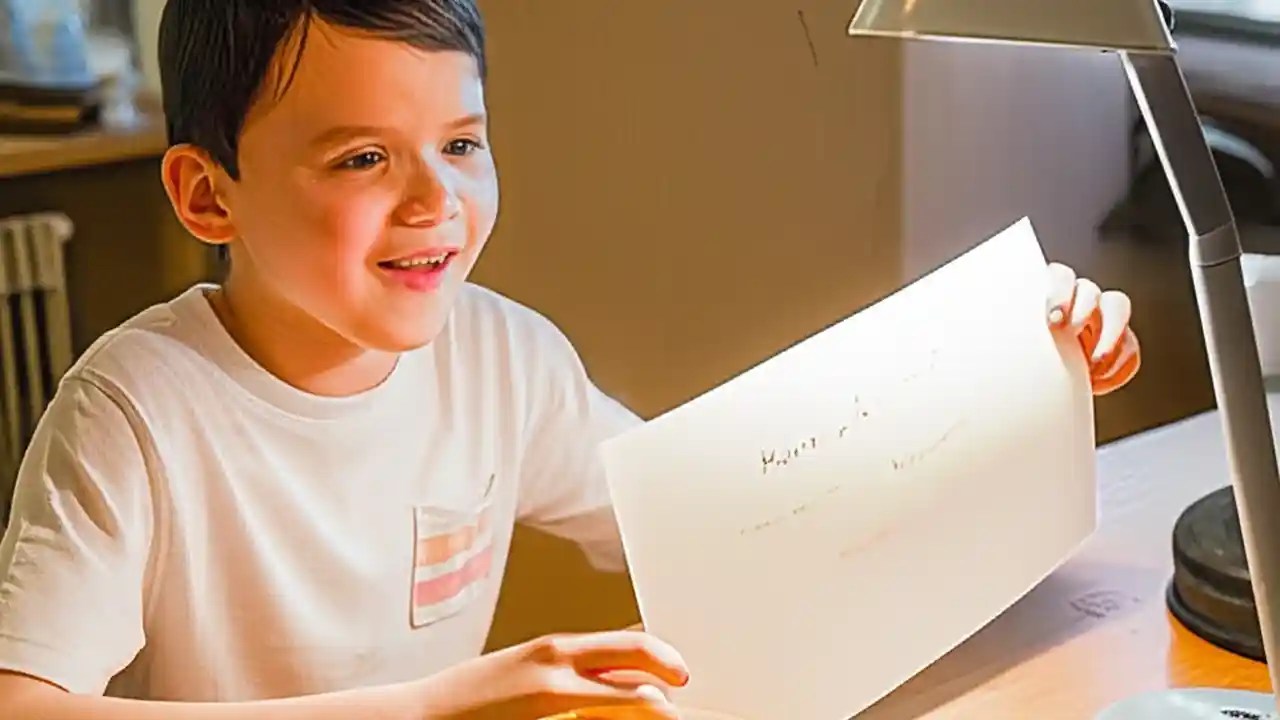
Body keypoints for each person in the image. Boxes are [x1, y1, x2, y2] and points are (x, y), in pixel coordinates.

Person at [0, 1, 1142, 719]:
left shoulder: (503, 359)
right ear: (209, 194)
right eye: (359, 159)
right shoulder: (133, 411)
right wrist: (428, 706)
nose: (432, 203)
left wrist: (1013, 375)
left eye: (460, 145)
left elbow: (743, 522)